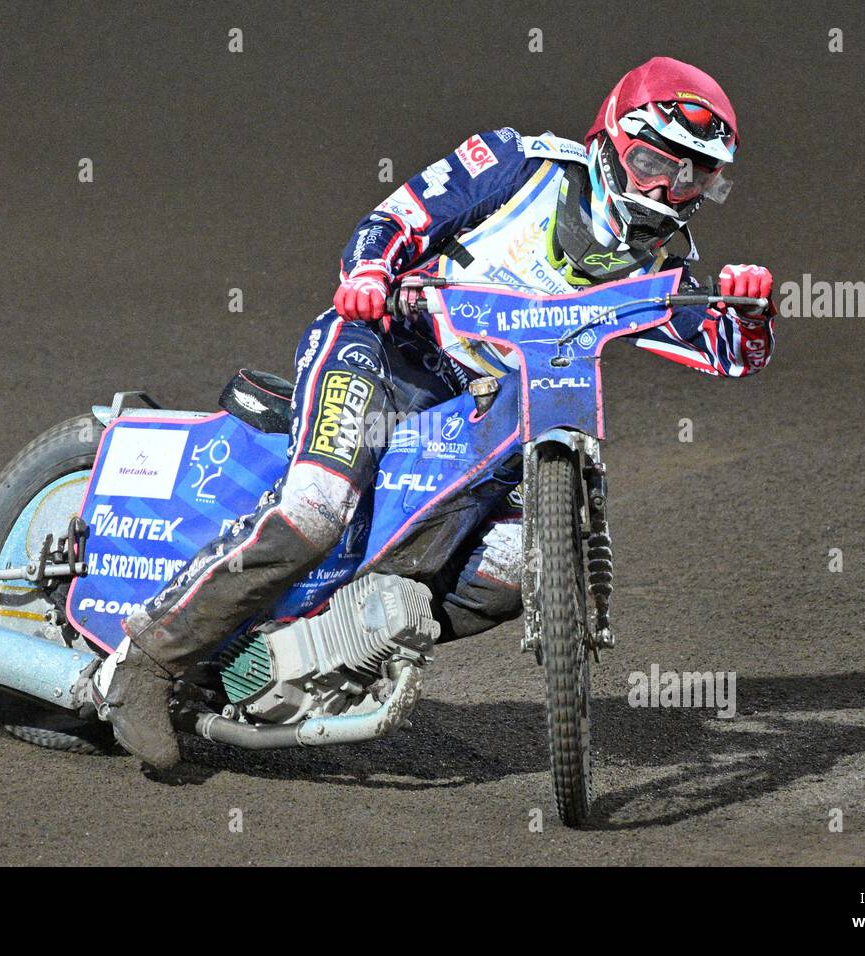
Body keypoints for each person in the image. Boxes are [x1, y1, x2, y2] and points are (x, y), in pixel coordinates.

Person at [98, 56, 777, 770]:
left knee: (514, 576)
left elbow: (733, 350)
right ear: (610, 140)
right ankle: (144, 662)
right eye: (651, 162)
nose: (668, 188)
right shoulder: (521, 164)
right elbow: (396, 218)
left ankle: (334, 647)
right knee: (317, 511)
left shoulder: (656, 272)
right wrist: (368, 275)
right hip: (383, 352)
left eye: (694, 175)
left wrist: (752, 307)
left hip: (480, 416)